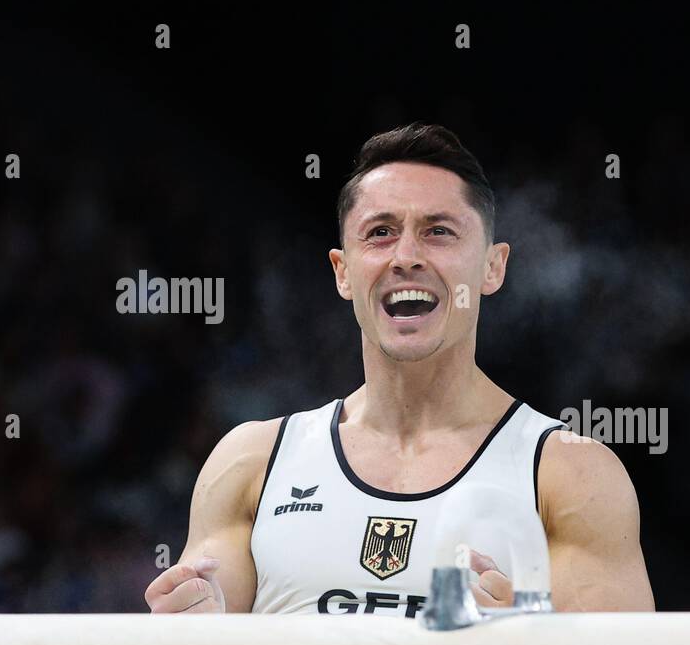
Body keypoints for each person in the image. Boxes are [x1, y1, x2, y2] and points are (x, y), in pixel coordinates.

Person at [145, 123, 654, 617]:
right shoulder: (252, 463)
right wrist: (188, 630)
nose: (406, 256)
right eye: (381, 233)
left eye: (438, 232)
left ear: (492, 267)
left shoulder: (569, 473)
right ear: (343, 272)